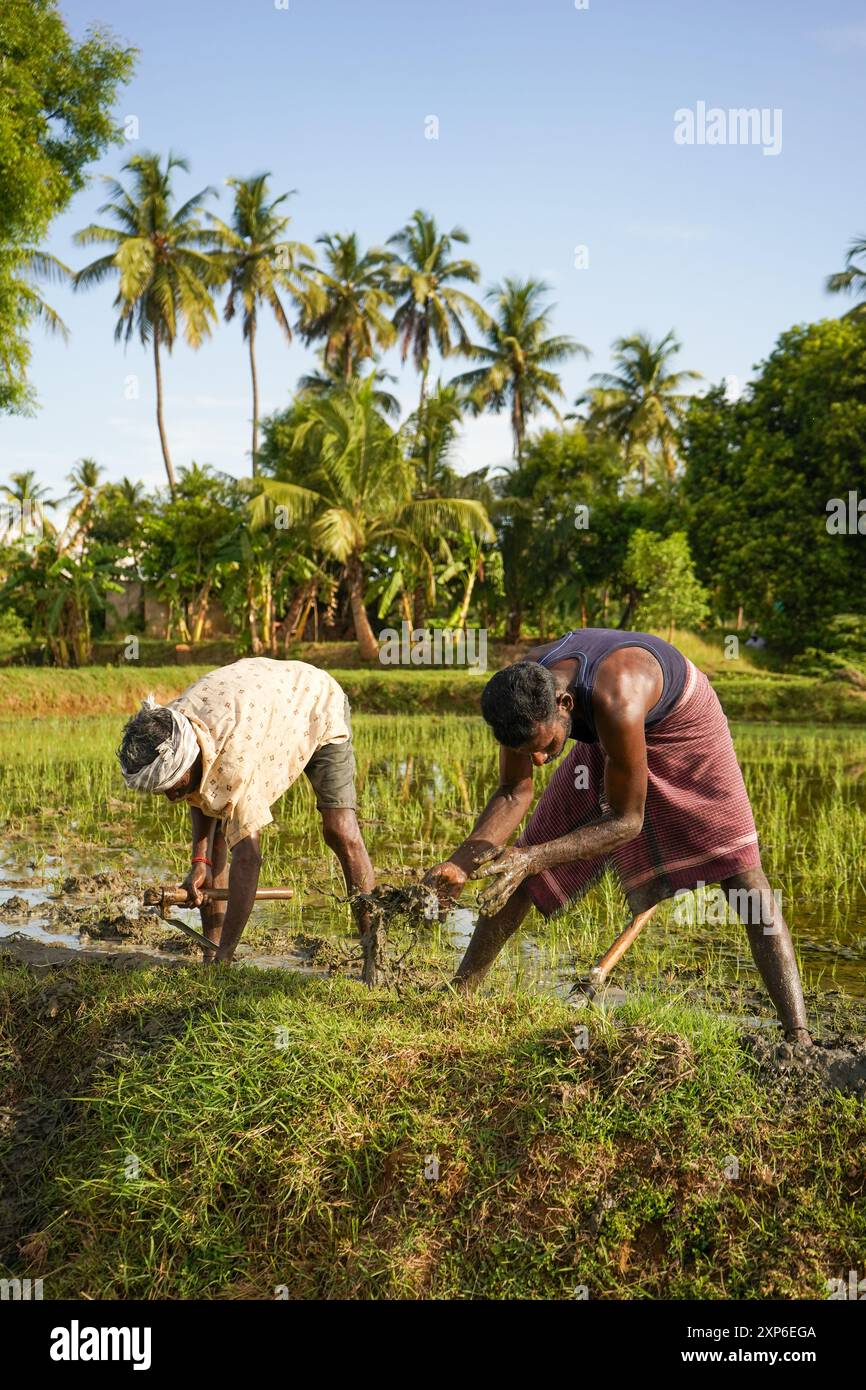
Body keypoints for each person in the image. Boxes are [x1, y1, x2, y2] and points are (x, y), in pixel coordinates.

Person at [425, 628, 811, 1044]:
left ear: (565, 703)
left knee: (742, 878)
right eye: (526, 751)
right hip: (605, 734)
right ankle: (459, 992)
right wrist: (461, 864)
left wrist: (533, 857)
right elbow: (513, 791)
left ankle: (799, 1034)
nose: (537, 759)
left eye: (546, 746)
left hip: (683, 725)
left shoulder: (616, 696)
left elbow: (628, 822)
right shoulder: (521, 694)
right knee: (517, 867)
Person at [118, 658, 375, 964]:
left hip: (316, 703)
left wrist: (231, 949)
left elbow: (249, 858)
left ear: (189, 758)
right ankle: (211, 955)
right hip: (260, 700)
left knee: (340, 830)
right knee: (212, 851)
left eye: (174, 785)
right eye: (164, 791)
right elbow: (200, 795)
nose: (173, 797)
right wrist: (200, 862)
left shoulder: (234, 762)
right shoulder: (172, 726)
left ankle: (374, 952)